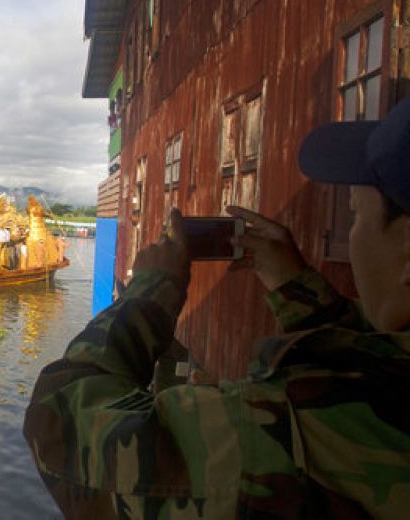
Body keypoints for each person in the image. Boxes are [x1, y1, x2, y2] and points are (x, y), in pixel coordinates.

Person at [24, 97, 410, 518]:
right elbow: (378, 365)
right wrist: (299, 291)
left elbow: (57, 424)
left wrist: (150, 294)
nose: (354, 234)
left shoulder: (286, 434)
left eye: (355, 215)